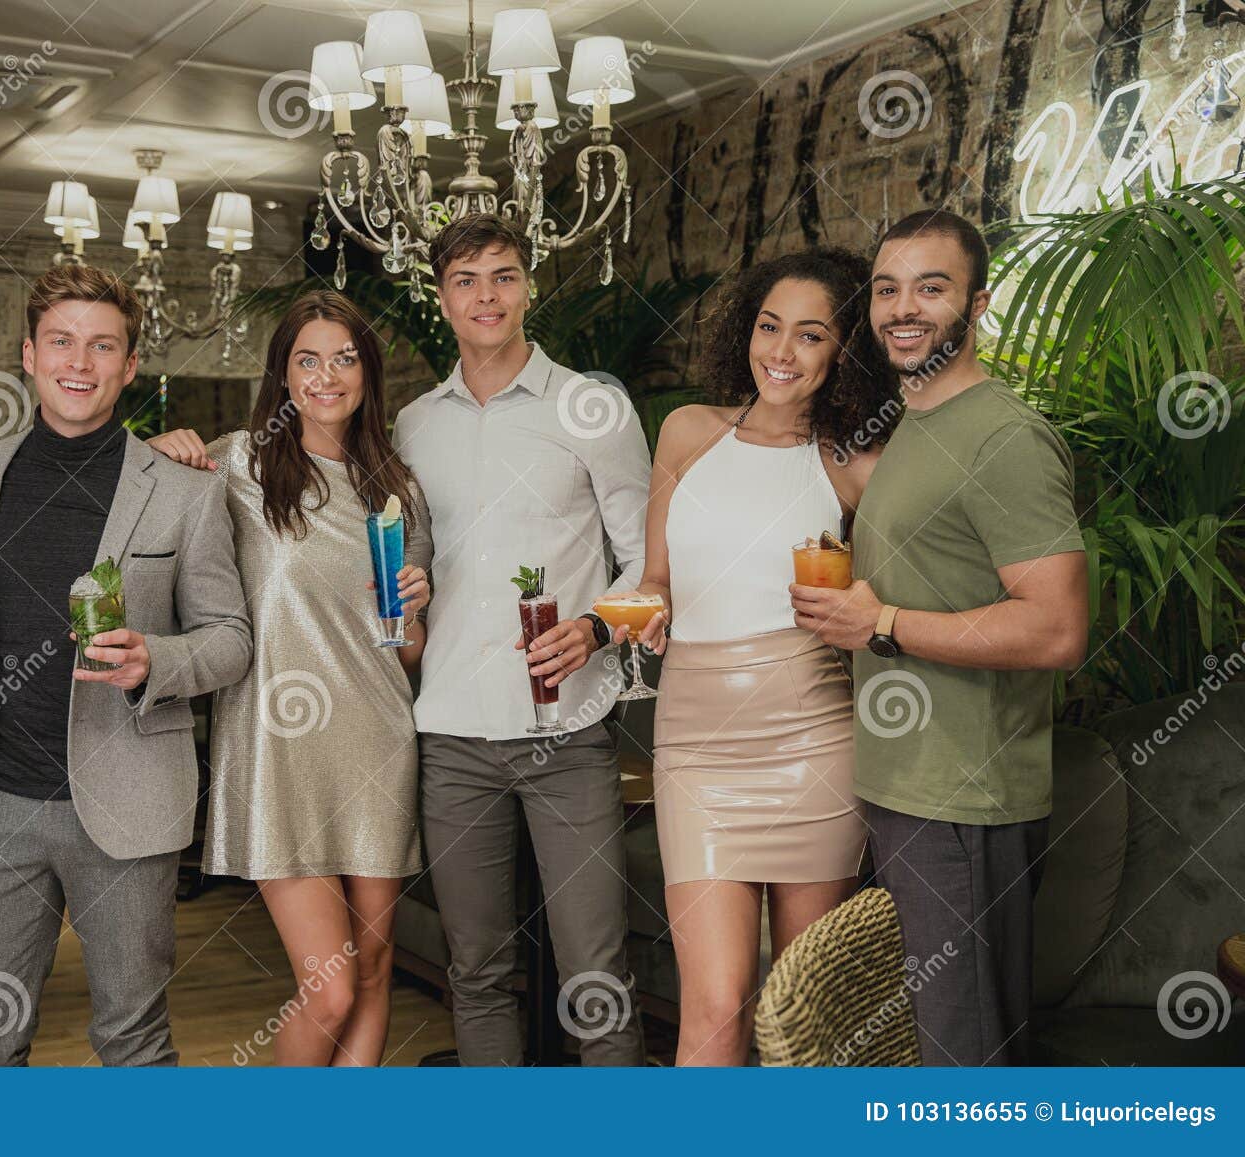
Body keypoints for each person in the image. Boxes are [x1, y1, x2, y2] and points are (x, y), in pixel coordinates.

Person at [791, 209, 1088, 1066]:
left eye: (932, 287)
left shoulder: (1007, 438)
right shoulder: (915, 423)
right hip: (906, 784)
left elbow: (1058, 625)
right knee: (930, 1044)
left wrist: (880, 623)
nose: (902, 307)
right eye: (887, 288)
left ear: (978, 303)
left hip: (965, 797)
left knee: (965, 1054)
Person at [0, 264, 251, 1067]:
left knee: (134, 1041)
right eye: (62, 341)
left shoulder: (185, 490)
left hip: (130, 803)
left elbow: (230, 637)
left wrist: (158, 657)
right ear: (30, 354)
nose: (81, 361)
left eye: (102, 345)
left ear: (130, 363)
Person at [624, 250, 901, 1065]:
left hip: (811, 737)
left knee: (801, 1007)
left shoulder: (854, 465)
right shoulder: (685, 432)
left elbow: (894, 600)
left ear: (844, 351)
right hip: (695, 743)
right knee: (713, 1006)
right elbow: (655, 579)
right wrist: (629, 617)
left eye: (810, 334)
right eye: (769, 326)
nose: (781, 350)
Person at [147, 290, 432, 1066]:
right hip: (276, 748)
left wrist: (414, 608)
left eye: (344, 358)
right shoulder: (239, 462)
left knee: (373, 973)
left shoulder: (397, 491)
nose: (327, 375)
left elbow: (406, 656)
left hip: (378, 736)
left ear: (368, 373)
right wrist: (162, 451)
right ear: (283, 374)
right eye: (308, 359)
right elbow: (141, 513)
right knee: (329, 986)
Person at [390, 212, 649, 1066]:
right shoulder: (412, 426)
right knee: (477, 971)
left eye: (502, 275)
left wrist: (595, 628)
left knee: (595, 972)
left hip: (568, 731)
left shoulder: (594, 408)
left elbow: (655, 567)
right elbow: (406, 565)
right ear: (441, 298)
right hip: (452, 734)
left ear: (529, 284)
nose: (486, 295)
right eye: (465, 281)